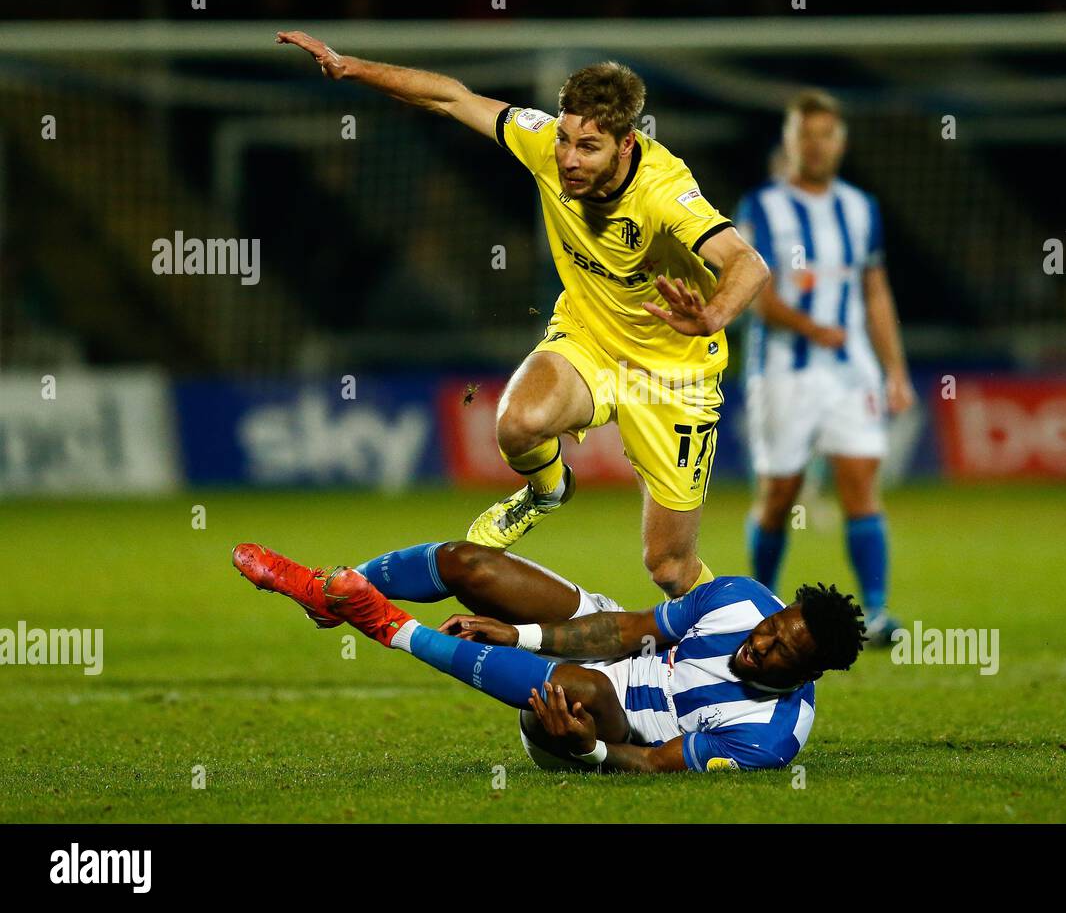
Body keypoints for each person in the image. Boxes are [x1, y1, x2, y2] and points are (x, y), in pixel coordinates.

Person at [277, 32, 770, 597]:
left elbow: (746, 262)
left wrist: (712, 316)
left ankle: (736, 636)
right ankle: (548, 490)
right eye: (564, 139)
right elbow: (451, 98)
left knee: (669, 570)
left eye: (588, 147)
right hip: (590, 337)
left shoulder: (664, 193)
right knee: (517, 424)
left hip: (674, 371)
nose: (567, 158)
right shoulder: (542, 145)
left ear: (626, 144)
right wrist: (352, 67)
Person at [231, 539, 866, 772]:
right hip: (610, 657)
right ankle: (324, 594)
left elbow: (651, 763)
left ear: (809, 676)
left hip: (592, 722)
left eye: (782, 651)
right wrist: (522, 634)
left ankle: (388, 627)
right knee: (467, 564)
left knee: (580, 692)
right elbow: (627, 630)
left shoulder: (772, 737)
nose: (761, 643)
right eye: (773, 628)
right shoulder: (742, 600)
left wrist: (588, 751)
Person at [735, 90, 915, 641]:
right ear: (789, 142)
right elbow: (755, 293)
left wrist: (895, 369)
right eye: (804, 135)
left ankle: (878, 611)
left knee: (861, 479)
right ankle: (756, 606)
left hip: (850, 370)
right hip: (783, 372)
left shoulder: (861, 208)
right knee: (779, 494)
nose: (815, 146)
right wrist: (812, 328)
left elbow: (875, 292)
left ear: (841, 141)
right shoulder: (761, 207)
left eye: (826, 134)